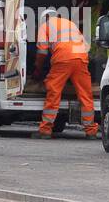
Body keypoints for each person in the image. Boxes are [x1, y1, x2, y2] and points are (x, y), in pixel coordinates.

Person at [33, 7, 98, 139]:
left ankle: (45, 130)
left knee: (54, 91)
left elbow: (42, 52)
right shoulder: (70, 24)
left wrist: (38, 69)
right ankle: (91, 131)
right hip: (81, 58)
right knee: (85, 94)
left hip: (62, 60)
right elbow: (86, 46)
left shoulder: (44, 26)